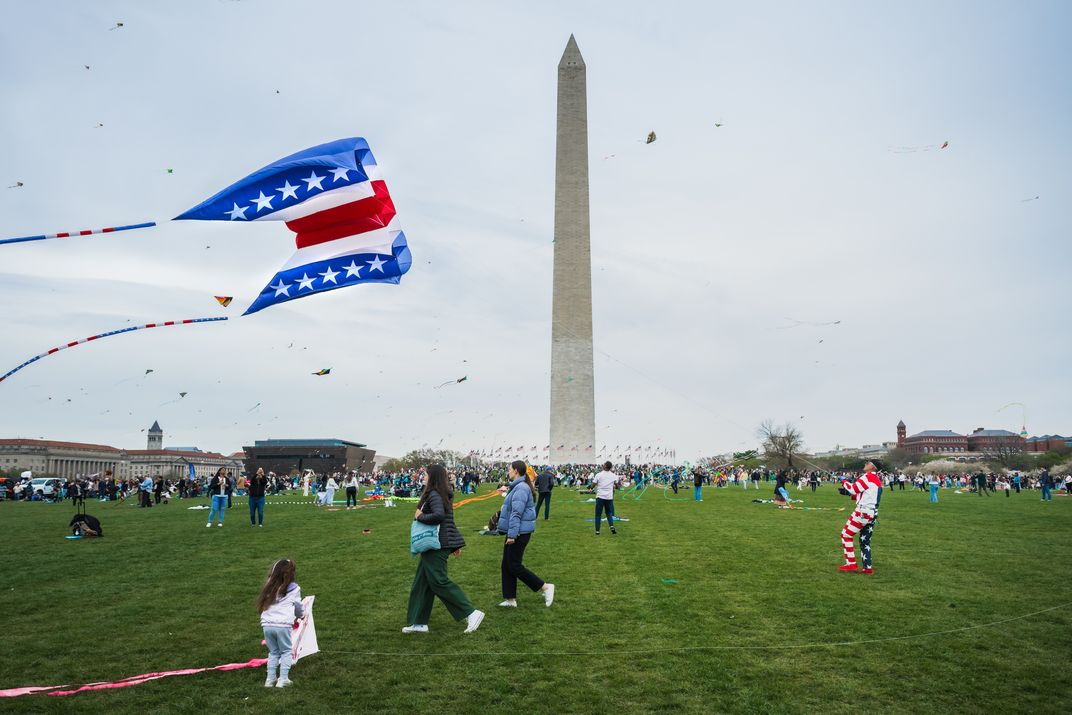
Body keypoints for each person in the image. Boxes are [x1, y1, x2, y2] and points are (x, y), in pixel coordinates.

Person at [404, 464, 484, 634]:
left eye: (425, 474)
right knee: (422, 583)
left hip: (436, 544)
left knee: (438, 581)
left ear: (432, 477)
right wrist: (454, 545)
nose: (423, 477)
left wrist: (420, 516)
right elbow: (449, 521)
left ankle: (471, 613)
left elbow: (439, 517)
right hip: (439, 543)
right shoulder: (440, 494)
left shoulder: (434, 494)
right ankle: (419, 622)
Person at [497, 461, 554, 608]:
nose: (508, 472)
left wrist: (511, 535)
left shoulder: (521, 488)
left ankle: (545, 587)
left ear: (516, 471)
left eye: (509, 469)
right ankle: (510, 599)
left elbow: (517, 513)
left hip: (519, 532)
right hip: (515, 530)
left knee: (514, 565)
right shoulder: (518, 486)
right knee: (506, 565)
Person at [257, 559, 304, 688]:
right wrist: (301, 616)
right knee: (286, 651)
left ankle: (270, 679)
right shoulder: (294, 589)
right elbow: (298, 607)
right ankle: (283, 679)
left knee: (273, 652)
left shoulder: (268, 586)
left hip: (267, 625)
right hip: (282, 626)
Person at [838, 461, 883, 574]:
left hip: (862, 512)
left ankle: (851, 564)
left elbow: (853, 488)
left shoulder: (867, 476)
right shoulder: (876, 479)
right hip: (872, 514)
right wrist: (851, 495)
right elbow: (866, 494)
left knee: (846, 535)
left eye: (867, 463)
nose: (865, 464)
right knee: (865, 542)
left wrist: (844, 482)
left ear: (872, 467)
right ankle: (867, 568)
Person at [593, 461, 618, 535]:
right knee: (609, 513)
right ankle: (611, 526)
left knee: (598, 514)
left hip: (600, 496)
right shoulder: (613, 475)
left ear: (605, 466)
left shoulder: (599, 475)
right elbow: (617, 485)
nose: (602, 465)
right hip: (609, 497)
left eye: (603, 464)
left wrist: (591, 487)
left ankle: (597, 531)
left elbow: (593, 484)